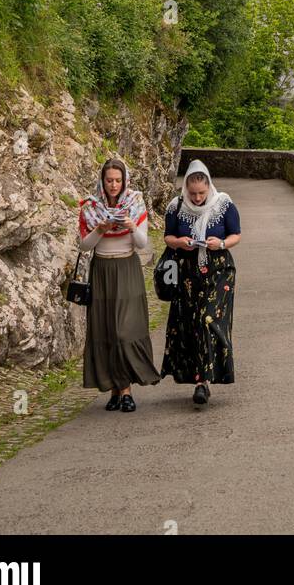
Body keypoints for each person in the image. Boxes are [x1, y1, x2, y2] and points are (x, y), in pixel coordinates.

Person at [78, 157, 160, 411]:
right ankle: (115, 391)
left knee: (125, 331)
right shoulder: (91, 207)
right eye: (109, 180)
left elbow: (142, 243)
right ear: (102, 181)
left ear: (125, 181)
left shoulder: (135, 202)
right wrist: (101, 229)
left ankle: (126, 389)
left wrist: (131, 225)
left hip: (126, 268)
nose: (114, 185)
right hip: (101, 269)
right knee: (106, 331)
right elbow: (84, 246)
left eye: (118, 180)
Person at [160, 159, 241, 406]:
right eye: (192, 193)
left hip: (218, 270)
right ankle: (200, 381)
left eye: (201, 193)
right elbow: (167, 237)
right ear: (186, 188)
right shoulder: (176, 206)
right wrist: (179, 242)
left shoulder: (224, 204)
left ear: (209, 187)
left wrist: (222, 243)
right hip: (187, 274)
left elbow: (236, 234)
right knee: (192, 323)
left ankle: (209, 376)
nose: (196, 198)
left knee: (208, 319)